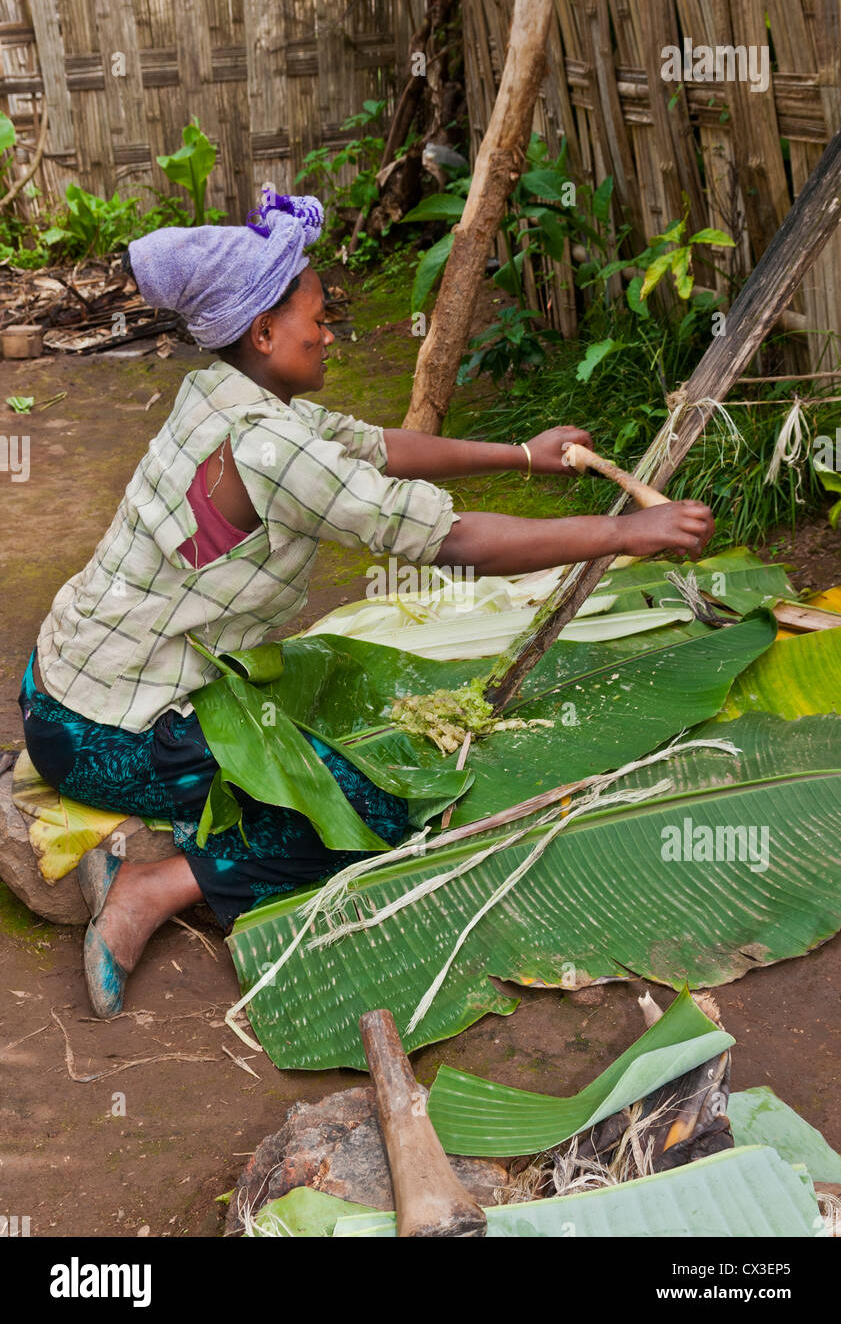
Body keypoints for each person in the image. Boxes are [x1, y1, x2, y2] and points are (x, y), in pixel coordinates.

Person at [18, 190, 715, 1018]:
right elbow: (451, 541)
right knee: (381, 806)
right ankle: (155, 885)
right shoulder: (273, 449)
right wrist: (621, 534)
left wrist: (525, 455)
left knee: (329, 718)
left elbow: (376, 447)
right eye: (316, 318)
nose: (330, 333)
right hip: (103, 738)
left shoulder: (221, 393)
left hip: (52, 686)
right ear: (262, 333)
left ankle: (153, 864)